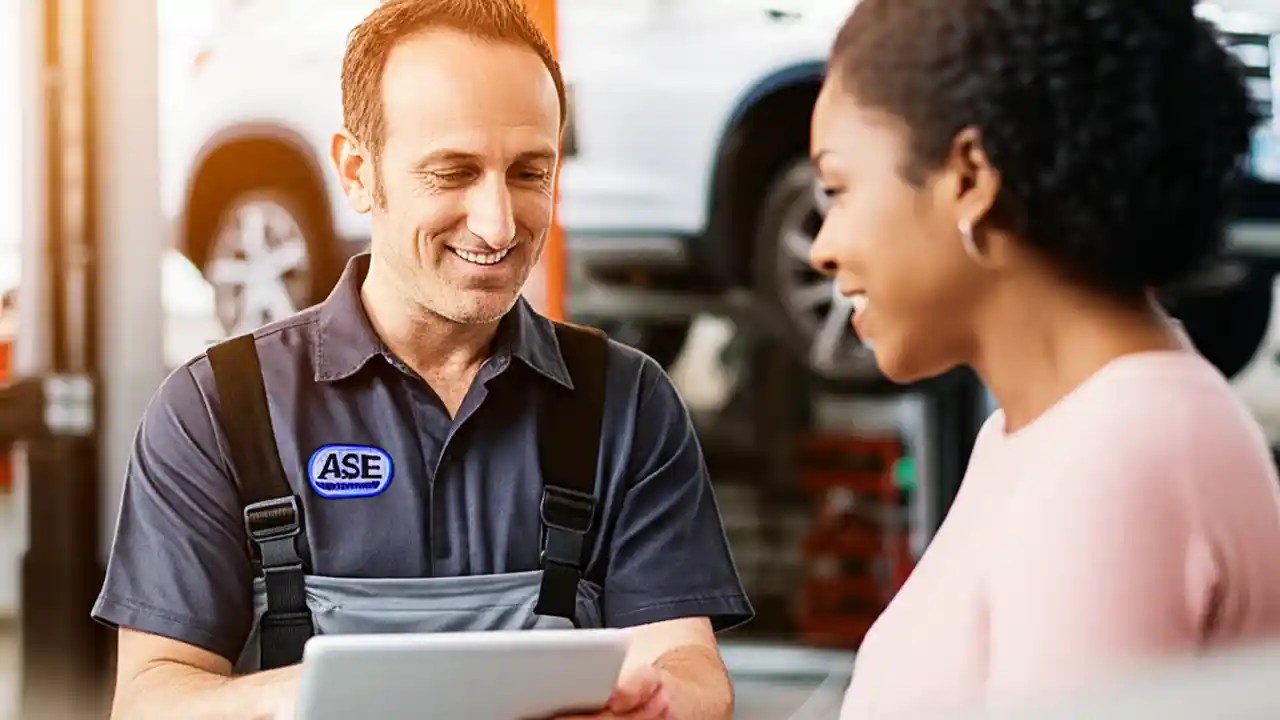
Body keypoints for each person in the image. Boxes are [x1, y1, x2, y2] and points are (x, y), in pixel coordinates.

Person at [92, 1, 753, 718]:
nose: (499, 223)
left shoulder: (625, 404)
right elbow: (152, 698)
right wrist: (328, 697)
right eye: (454, 172)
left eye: (530, 172)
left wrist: (658, 699)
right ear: (356, 170)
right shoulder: (219, 411)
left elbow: (685, 662)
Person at [806, 0, 1280, 717]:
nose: (822, 246)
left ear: (969, 175)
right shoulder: (1046, 435)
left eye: (838, 190)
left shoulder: (1118, 456)